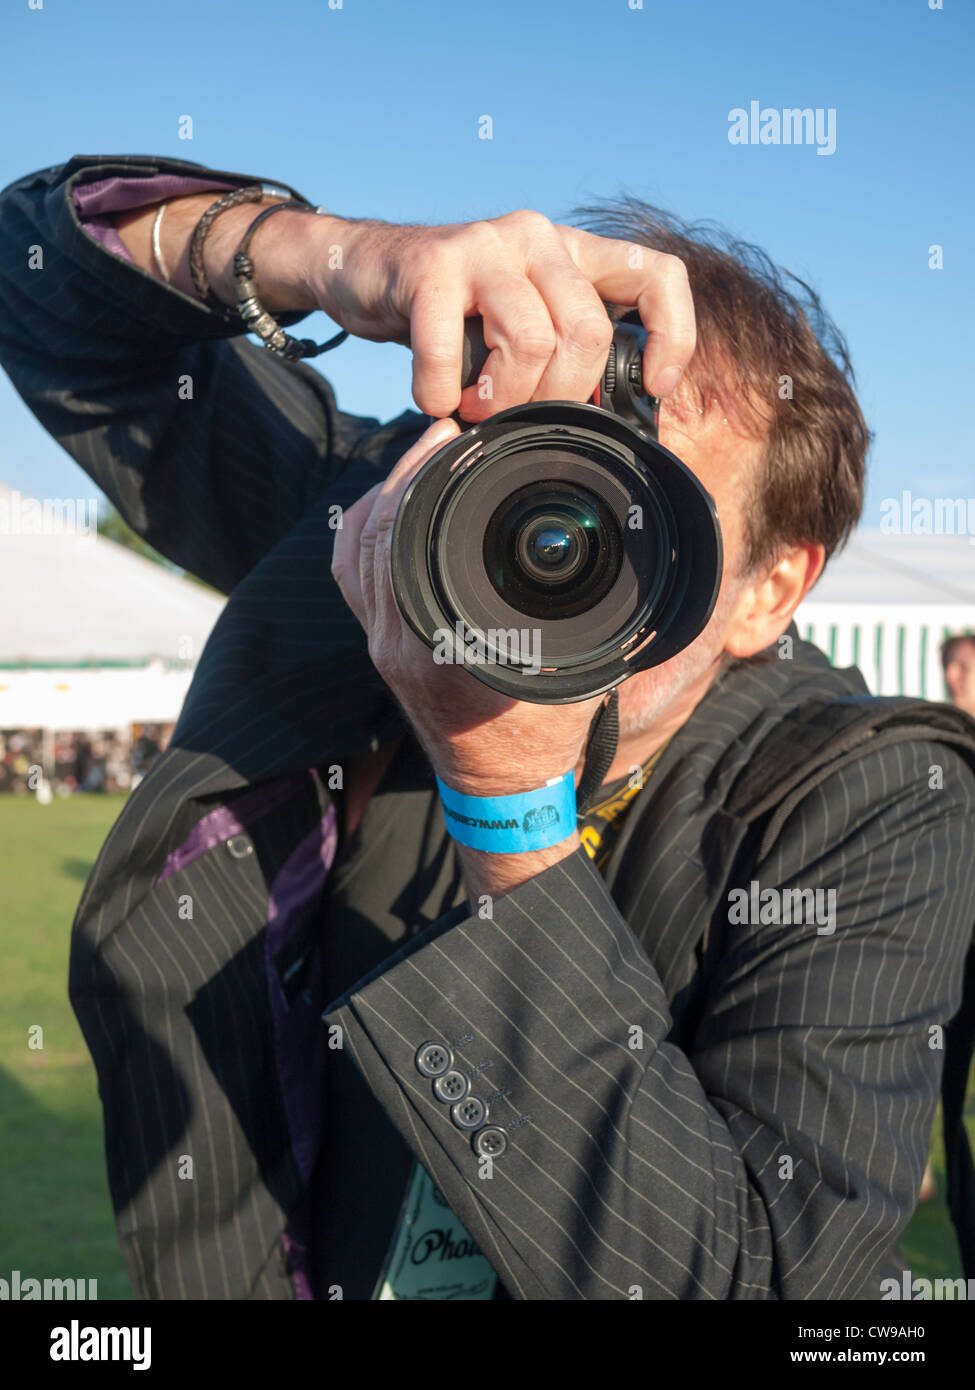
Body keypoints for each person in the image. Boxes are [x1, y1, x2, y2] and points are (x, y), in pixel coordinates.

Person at [1, 154, 974, 1301]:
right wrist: (336, 258)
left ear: (770, 587)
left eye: (639, 508)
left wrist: (509, 812)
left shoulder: (873, 798)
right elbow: (42, 289)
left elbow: (755, 1285)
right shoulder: (380, 534)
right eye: (525, 458)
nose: (548, 535)